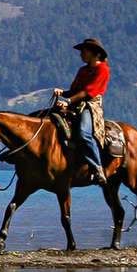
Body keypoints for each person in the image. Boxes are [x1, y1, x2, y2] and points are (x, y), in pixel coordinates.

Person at [53, 37, 109, 184]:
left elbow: (87, 92)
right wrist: (63, 93)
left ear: (95, 54)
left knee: (84, 133)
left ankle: (97, 167)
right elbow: (75, 90)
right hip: (75, 102)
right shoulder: (83, 70)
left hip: (90, 105)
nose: (81, 55)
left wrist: (68, 101)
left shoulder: (103, 69)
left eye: (84, 51)